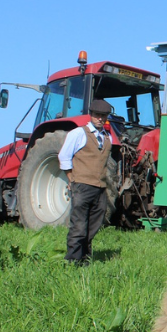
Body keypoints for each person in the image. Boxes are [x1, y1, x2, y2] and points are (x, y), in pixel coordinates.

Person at [58, 99, 116, 265]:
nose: (100, 118)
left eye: (103, 116)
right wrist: (72, 180)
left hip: (100, 188)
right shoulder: (78, 133)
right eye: (97, 115)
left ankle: (85, 257)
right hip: (82, 186)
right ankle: (73, 260)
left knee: (94, 224)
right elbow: (64, 157)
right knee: (79, 224)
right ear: (91, 115)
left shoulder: (107, 137)